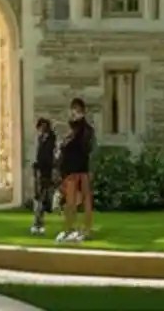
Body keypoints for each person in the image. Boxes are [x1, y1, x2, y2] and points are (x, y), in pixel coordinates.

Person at [57, 98, 95, 243]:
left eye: (77, 111)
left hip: (79, 170)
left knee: (83, 200)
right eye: (73, 111)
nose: (74, 114)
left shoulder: (85, 130)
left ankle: (85, 229)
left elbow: (85, 149)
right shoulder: (72, 131)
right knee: (70, 201)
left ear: (82, 112)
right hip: (70, 171)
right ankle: (69, 229)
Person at [30, 117, 57, 236]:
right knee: (39, 198)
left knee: (41, 198)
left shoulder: (49, 139)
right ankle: (38, 223)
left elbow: (47, 157)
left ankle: (39, 223)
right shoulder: (42, 139)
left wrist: (40, 166)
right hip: (41, 171)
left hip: (45, 172)